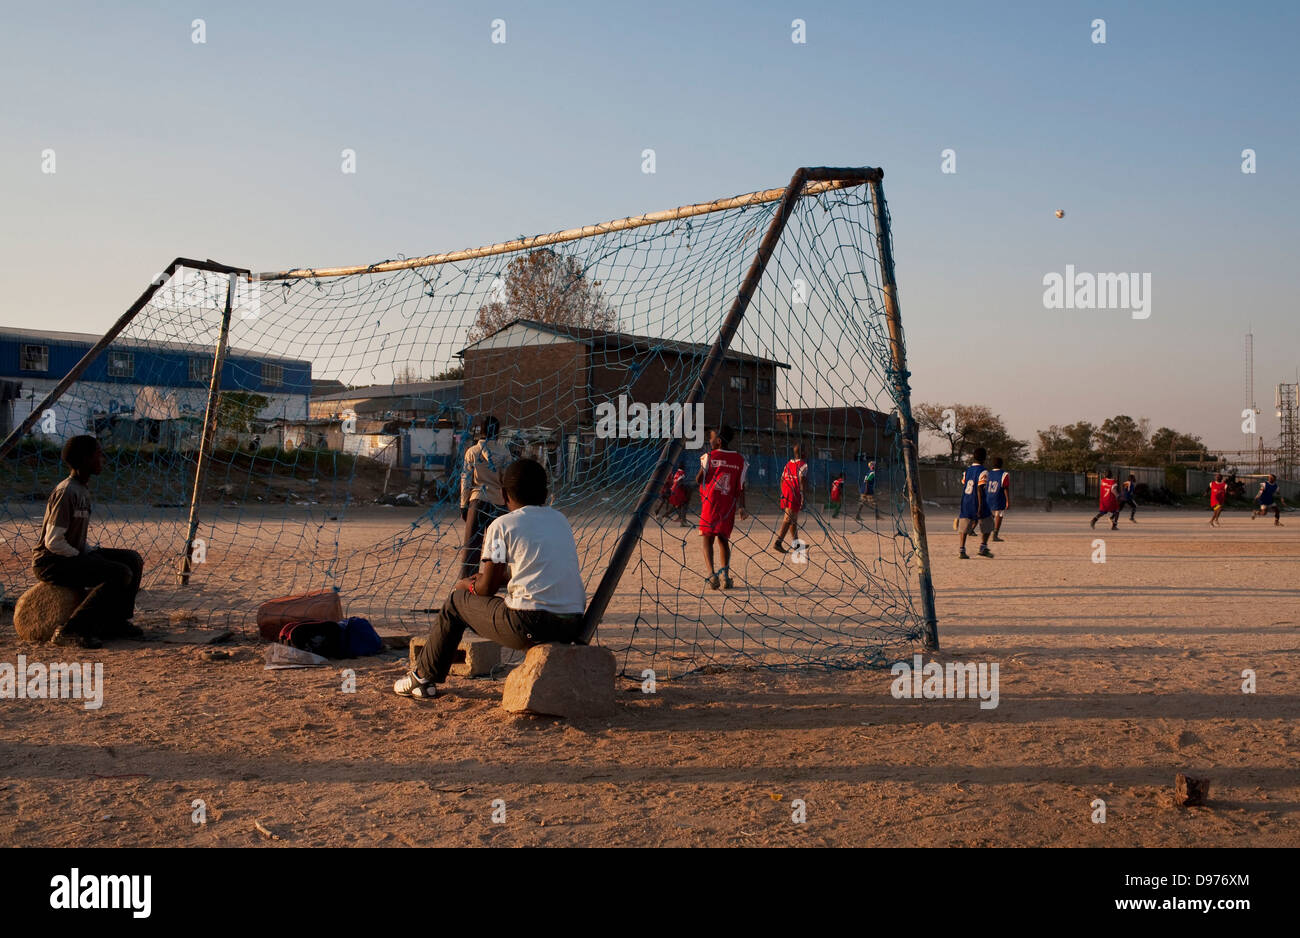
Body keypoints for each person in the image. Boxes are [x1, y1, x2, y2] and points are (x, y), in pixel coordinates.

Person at [395, 458, 586, 700]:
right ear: (545, 492)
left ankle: (422, 677)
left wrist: (465, 584)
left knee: (455, 603)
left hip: (530, 624)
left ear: (504, 495)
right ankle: (424, 679)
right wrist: (496, 578)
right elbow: (533, 570)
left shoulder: (501, 525)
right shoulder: (561, 520)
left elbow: (487, 588)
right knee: (477, 596)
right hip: (572, 623)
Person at [31, 436, 144, 649]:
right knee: (119, 573)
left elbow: (76, 539)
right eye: (98, 454)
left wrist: (91, 552)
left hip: (69, 555)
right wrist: (83, 557)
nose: (102, 459)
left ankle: (116, 622)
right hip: (51, 562)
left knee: (132, 559)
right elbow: (53, 542)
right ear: (84, 459)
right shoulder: (67, 491)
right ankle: (69, 630)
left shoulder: (81, 489)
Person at [458, 415, 512, 578]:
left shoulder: (472, 452)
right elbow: (507, 480)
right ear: (497, 432)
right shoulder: (504, 452)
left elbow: (466, 480)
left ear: (480, 431)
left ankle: (468, 577)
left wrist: (463, 504)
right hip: (498, 501)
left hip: (478, 500)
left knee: (472, 544)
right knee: (498, 545)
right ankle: (496, 577)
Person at [696, 426, 748, 590]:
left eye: (710, 438)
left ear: (718, 441)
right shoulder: (740, 460)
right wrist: (742, 508)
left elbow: (699, 479)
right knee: (723, 540)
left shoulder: (708, 457)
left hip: (710, 504)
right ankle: (725, 576)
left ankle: (712, 575)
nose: (709, 441)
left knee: (707, 539)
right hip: (728, 506)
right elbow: (741, 486)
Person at [957, 447, 994, 559]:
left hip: (966, 501)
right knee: (988, 524)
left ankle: (962, 550)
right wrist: (979, 506)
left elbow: (964, 482)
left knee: (964, 527)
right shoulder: (983, 471)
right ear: (984, 458)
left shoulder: (967, 471)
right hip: (978, 502)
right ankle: (983, 547)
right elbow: (979, 488)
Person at [772, 445, 808, 553]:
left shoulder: (788, 463)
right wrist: (803, 496)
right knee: (788, 518)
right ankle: (778, 543)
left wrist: (782, 492)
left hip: (786, 491)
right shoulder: (803, 465)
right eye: (805, 451)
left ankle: (796, 544)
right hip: (794, 493)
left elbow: (782, 479)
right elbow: (802, 481)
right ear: (802, 453)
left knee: (793, 519)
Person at [986, 457, 1010, 541]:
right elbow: (1005, 488)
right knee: (999, 515)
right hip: (998, 497)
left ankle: (986, 533)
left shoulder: (988, 473)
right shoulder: (1004, 474)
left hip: (988, 497)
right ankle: (995, 535)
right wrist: (1008, 501)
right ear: (1001, 464)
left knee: (989, 516)